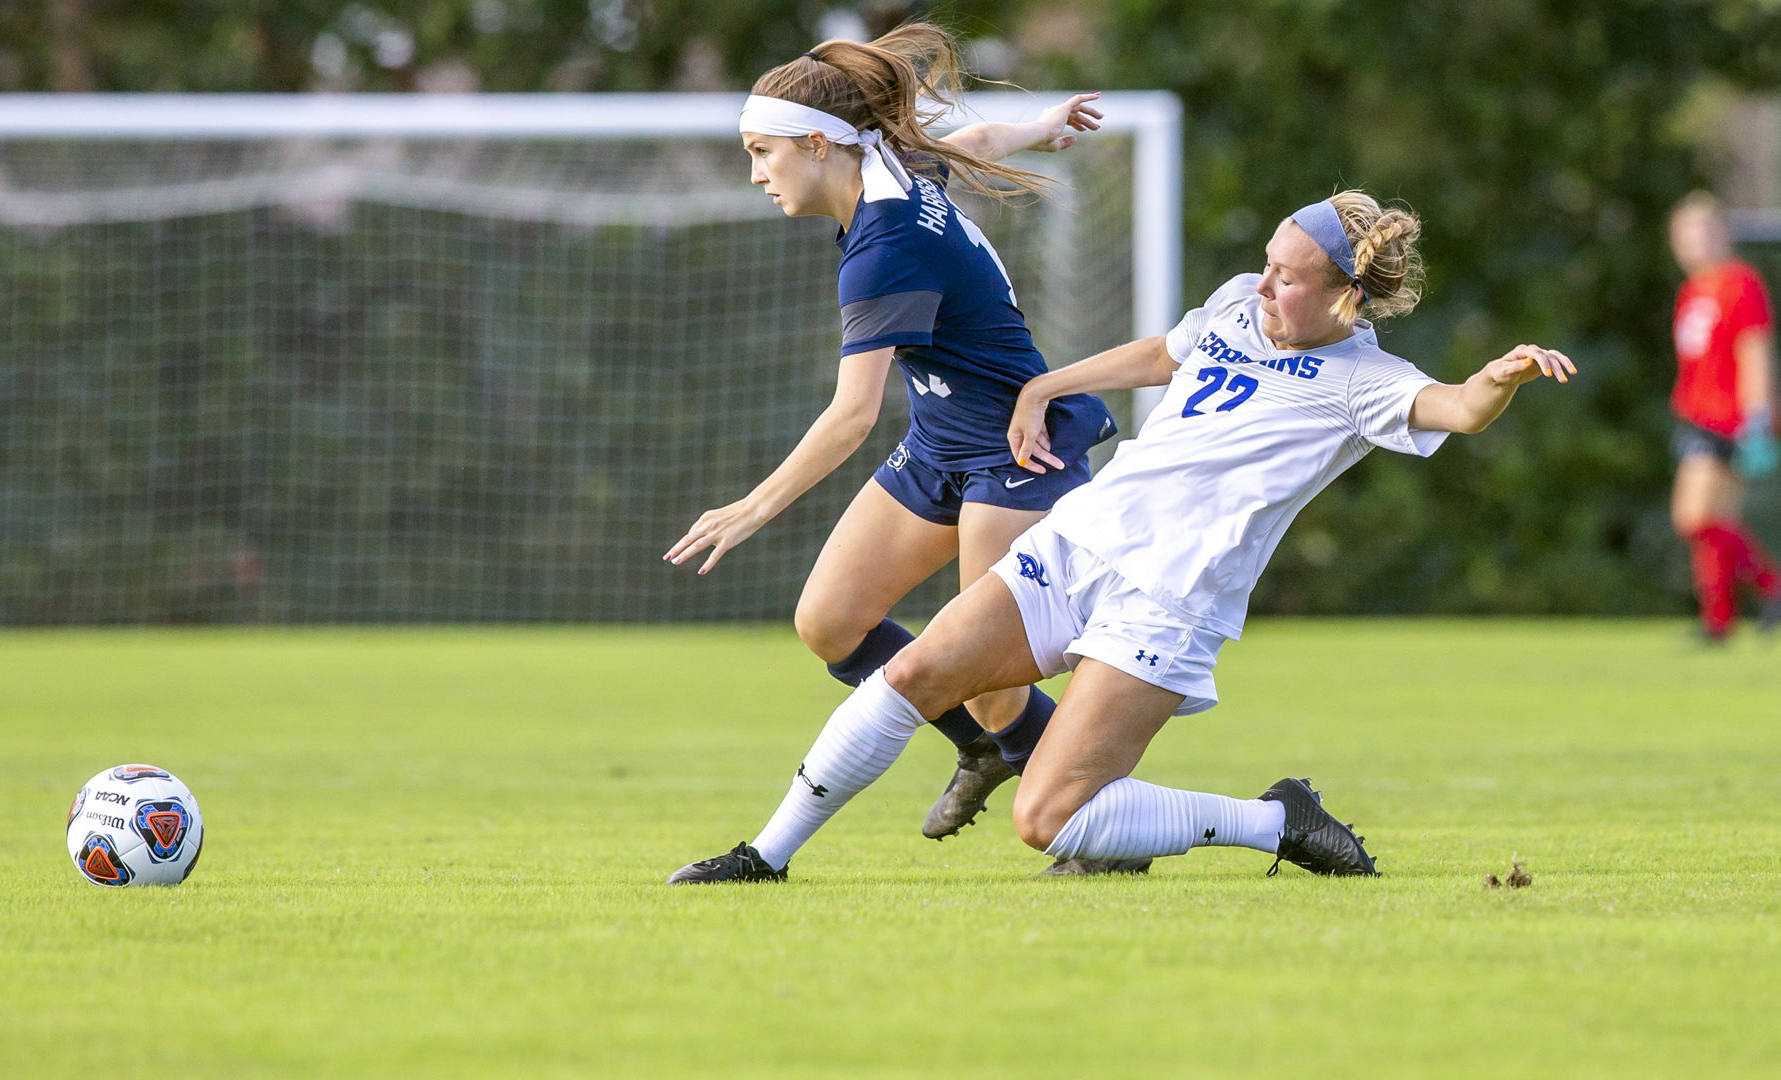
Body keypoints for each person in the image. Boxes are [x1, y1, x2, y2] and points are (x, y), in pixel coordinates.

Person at [670, 191, 1577, 884]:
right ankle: (766, 857)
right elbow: (1160, 355)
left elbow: (1457, 410)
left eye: (1290, 278)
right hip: (1082, 541)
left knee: (1049, 819)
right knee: (912, 673)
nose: (1264, 283)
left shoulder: (1365, 381)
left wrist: (1498, 377)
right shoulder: (1234, 303)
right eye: (1267, 262)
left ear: (1347, 297)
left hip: (1171, 599)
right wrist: (1044, 386)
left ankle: (1280, 822)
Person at [664, 24, 1118, 842]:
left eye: (763, 152)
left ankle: (1104, 821)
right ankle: (985, 750)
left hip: (1016, 454)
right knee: (830, 622)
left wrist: (749, 509)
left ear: (816, 142)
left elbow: (853, 416)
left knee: (989, 676)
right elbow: (973, 138)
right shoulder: (886, 173)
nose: (756, 173)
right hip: (943, 444)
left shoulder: (885, 244)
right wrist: (1038, 128)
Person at [1666, 192, 1780, 640]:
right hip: (1698, 414)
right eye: (1685, 235)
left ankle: (1771, 587)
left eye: (1704, 232)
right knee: (1716, 522)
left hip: (1729, 418)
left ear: (1723, 235)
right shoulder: (1692, 290)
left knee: (1692, 517)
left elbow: (1754, 350)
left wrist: (1757, 417)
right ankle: (1719, 621)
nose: (1695, 243)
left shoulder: (1739, 282)